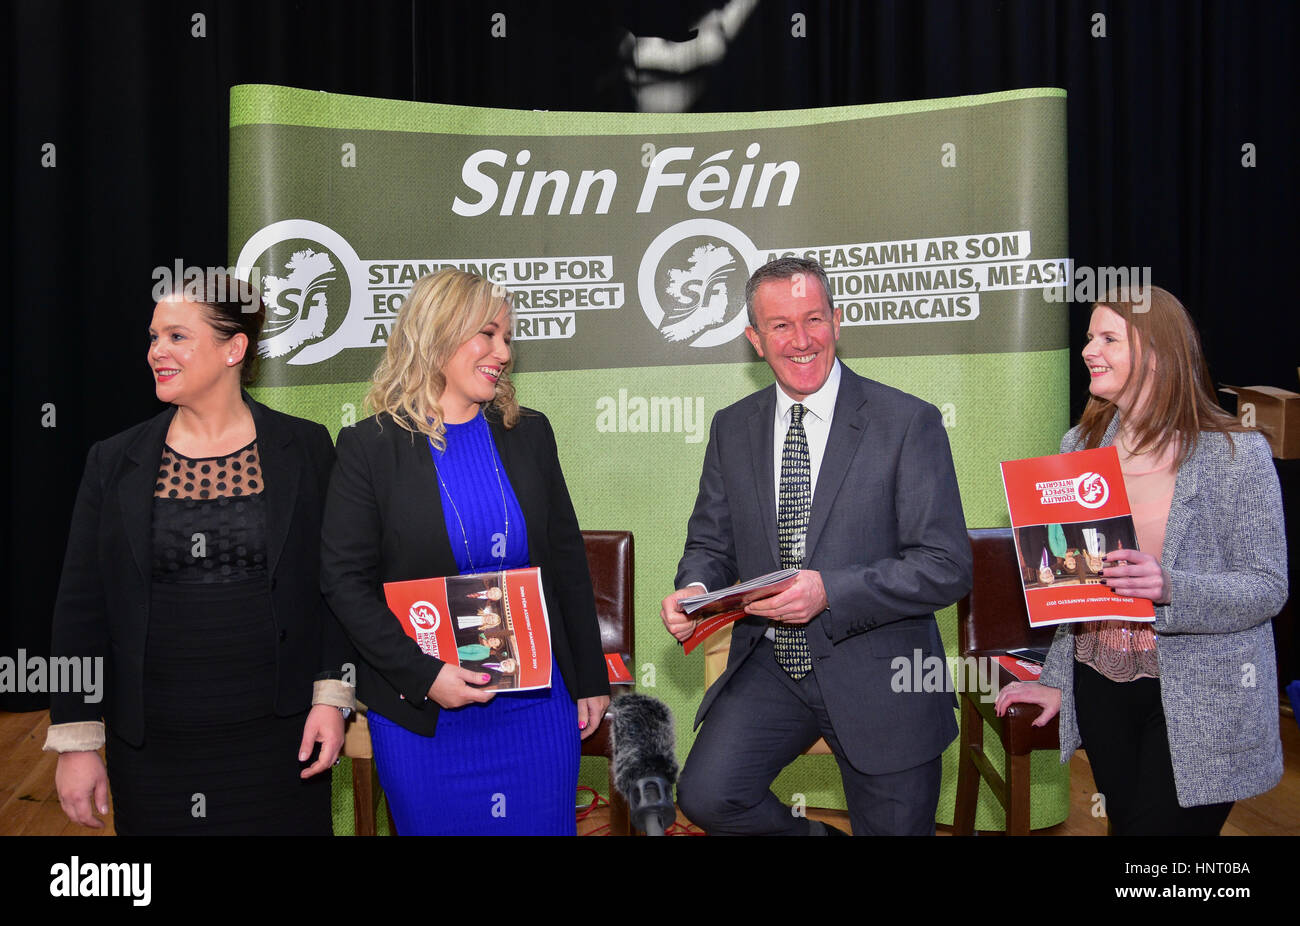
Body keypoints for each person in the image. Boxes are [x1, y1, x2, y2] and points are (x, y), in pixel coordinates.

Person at [660, 257, 972, 835]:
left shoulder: (907, 422)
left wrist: (830, 591)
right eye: (780, 326)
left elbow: (947, 567)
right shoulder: (733, 427)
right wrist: (696, 589)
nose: (800, 340)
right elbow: (710, 539)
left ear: (838, 321)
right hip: (774, 664)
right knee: (708, 796)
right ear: (755, 339)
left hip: (884, 672)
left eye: (813, 319)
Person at [46, 274, 354, 835]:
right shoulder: (113, 462)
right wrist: (76, 739)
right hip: (155, 745)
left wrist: (332, 697)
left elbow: (333, 587)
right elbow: (80, 607)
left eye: (177, 337)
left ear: (234, 348)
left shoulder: (306, 449)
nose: (156, 351)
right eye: (154, 336)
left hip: (279, 739)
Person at [321, 268, 610, 836]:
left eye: (507, 338)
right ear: (437, 335)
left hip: (536, 710)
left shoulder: (529, 433)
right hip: (424, 715)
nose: (503, 352)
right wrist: (424, 674)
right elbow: (343, 582)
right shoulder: (369, 447)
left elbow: (566, 561)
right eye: (488, 335)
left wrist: (592, 677)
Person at [995, 286, 1287, 835]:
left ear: (1157, 353)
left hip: (1204, 696)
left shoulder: (1233, 454)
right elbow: (1073, 588)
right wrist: (1058, 677)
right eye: (1088, 337)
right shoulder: (1080, 444)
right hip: (1100, 680)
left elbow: (1267, 586)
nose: (1088, 349)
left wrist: (1172, 587)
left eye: (1109, 338)